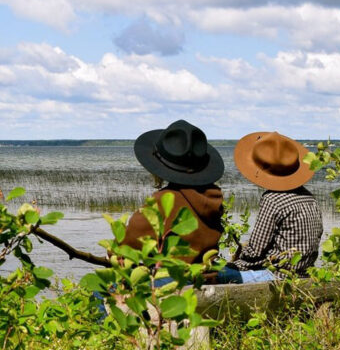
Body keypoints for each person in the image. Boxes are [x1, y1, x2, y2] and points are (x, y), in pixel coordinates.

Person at [219, 131, 322, 281]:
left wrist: (235, 262)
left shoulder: (272, 199)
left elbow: (255, 251)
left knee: (215, 274)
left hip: (276, 275)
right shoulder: (309, 197)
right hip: (304, 272)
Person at [122, 119, 225, 262]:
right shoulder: (213, 197)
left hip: (170, 279)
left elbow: (127, 246)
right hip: (208, 276)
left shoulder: (164, 200)